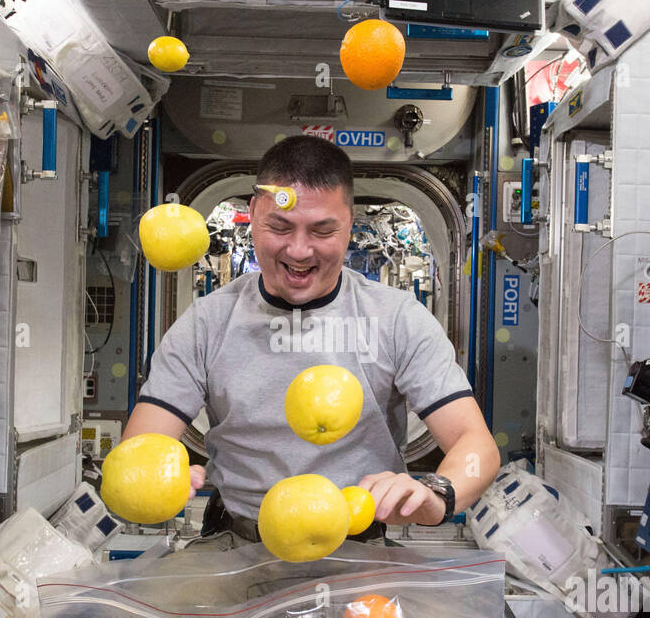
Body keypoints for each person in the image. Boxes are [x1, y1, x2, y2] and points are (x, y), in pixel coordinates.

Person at [120, 134, 500, 549]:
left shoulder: (397, 320)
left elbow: (475, 444)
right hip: (237, 542)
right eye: (279, 227)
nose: (299, 251)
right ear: (253, 214)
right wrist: (154, 472)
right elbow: (142, 445)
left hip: (357, 546)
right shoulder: (207, 324)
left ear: (349, 225)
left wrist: (439, 493)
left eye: (322, 230)